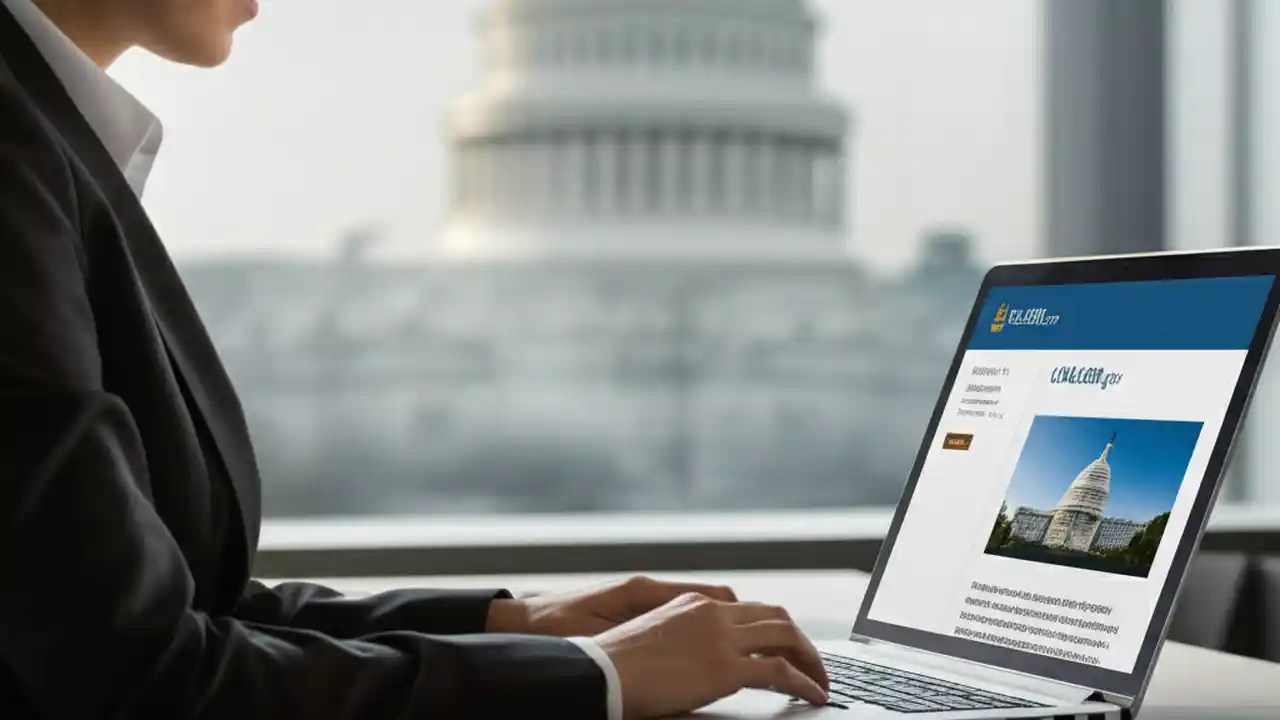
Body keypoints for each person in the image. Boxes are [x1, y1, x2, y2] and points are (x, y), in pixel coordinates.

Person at [0, 0, 830, 717]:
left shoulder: (42, 137)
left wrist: (519, 624)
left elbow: (166, 611)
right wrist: (597, 676)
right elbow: (134, 677)